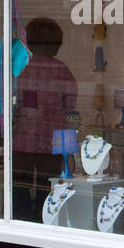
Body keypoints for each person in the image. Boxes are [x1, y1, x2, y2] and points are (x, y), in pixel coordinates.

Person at [12, 17, 78, 221]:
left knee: (18, 190)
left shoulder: (20, 69)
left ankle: (20, 227)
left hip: (22, 141)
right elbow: (71, 109)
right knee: (48, 190)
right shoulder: (62, 71)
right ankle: (45, 224)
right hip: (54, 143)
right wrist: (75, 141)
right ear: (56, 44)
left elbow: (12, 105)